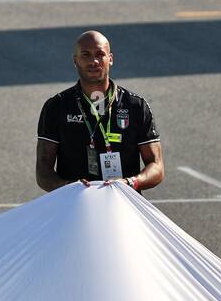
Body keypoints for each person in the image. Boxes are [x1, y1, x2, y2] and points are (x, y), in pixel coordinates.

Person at [36, 30, 165, 192]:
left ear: (110, 59)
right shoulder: (56, 106)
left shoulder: (136, 106)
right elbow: (43, 171)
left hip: (122, 205)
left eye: (100, 54)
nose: (94, 61)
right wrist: (70, 187)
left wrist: (130, 183)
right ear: (75, 61)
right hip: (75, 205)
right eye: (86, 55)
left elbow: (156, 166)